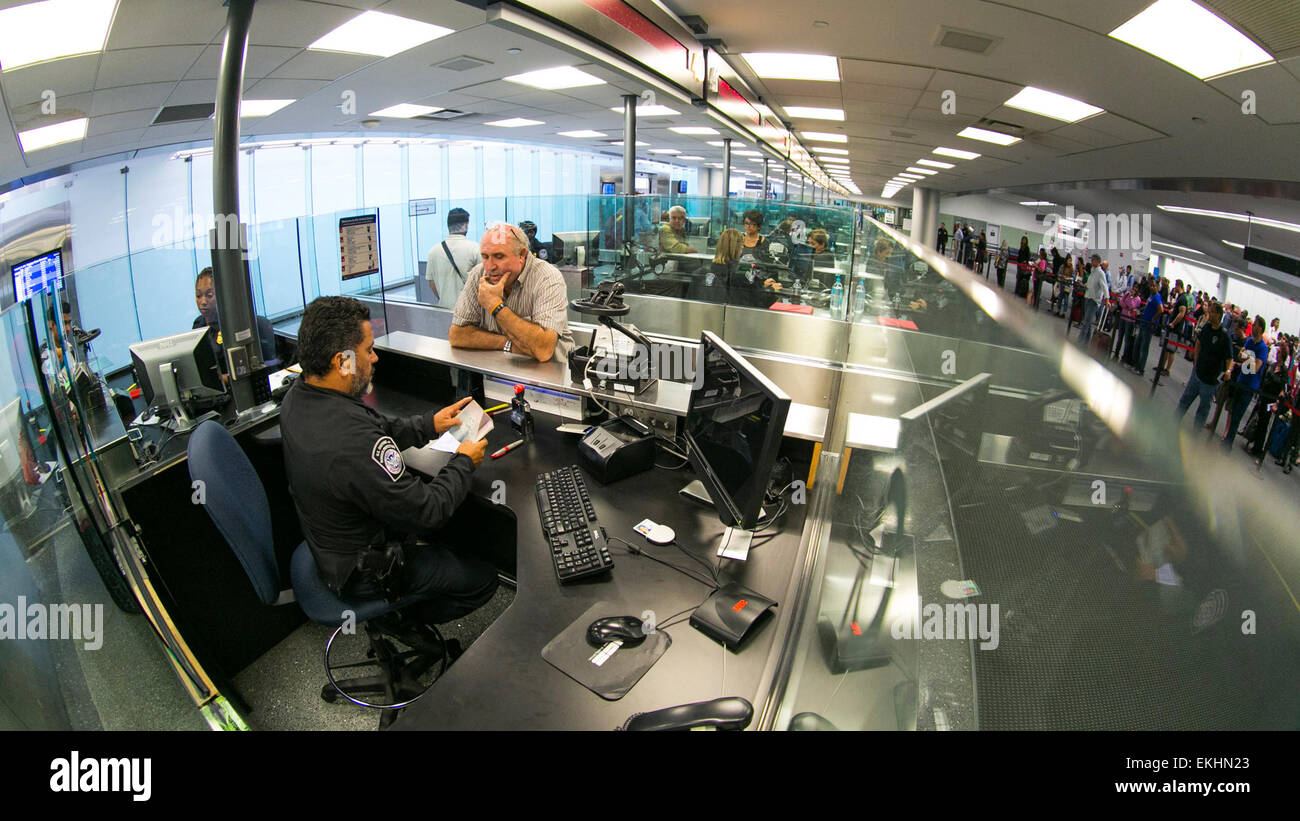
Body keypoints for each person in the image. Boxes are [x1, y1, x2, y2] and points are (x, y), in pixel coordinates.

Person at [279, 296, 496, 624]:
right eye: (368, 350)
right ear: (343, 362)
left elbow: (373, 428)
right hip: (366, 570)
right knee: (482, 580)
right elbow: (428, 511)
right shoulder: (350, 442)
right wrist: (464, 460)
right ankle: (400, 620)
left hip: (330, 544)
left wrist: (428, 425)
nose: (375, 357)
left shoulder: (301, 395)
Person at [448, 222, 573, 362]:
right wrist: (508, 344)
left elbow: (543, 350)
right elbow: (457, 335)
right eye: (485, 256)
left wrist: (495, 306)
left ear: (522, 254)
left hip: (548, 374)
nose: (490, 267)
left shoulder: (547, 278)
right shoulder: (478, 274)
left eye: (499, 256)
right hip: (497, 370)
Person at [192, 267, 277, 367]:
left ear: (224, 295)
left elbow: (264, 368)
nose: (203, 302)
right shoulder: (199, 325)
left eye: (209, 295)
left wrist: (223, 378)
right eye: (198, 296)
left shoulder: (252, 325)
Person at [1175, 301, 1232, 431]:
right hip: (1197, 374)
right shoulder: (1207, 328)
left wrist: (1228, 371)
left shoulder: (1224, 335)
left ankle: (1195, 433)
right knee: (1185, 400)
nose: (1209, 314)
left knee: (1203, 409)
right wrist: (1195, 361)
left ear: (1218, 315)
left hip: (1210, 380)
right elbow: (1198, 343)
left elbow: (1229, 357)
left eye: (1212, 312)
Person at [1223, 316, 1270, 450]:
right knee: (1232, 412)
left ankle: (1228, 443)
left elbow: (1256, 368)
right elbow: (1239, 356)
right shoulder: (1249, 341)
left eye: (1255, 325)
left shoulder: (1262, 348)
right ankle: (1227, 440)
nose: (1253, 327)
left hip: (1249, 387)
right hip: (1241, 381)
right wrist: (1251, 358)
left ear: (1260, 328)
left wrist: (1247, 357)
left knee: (1237, 416)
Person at [427, 207, 479, 307]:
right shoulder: (475, 249)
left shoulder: (433, 251)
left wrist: (444, 299)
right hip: (469, 310)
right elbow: (483, 280)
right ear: (465, 225)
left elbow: (431, 282)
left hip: (444, 309)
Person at [1133, 280, 1162, 375]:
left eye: (1154, 286)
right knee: (1138, 344)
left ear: (1157, 287)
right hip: (1143, 323)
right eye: (1151, 286)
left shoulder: (1157, 297)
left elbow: (1161, 310)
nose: (1152, 287)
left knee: (1144, 347)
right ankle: (1136, 365)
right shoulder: (1151, 296)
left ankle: (1141, 369)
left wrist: (1153, 320)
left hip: (1148, 325)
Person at [1079, 254, 1109, 346]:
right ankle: (1086, 343)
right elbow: (1090, 283)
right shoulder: (1093, 271)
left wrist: (1107, 300)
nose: (1091, 262)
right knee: (1088, 322)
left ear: (1097, 261)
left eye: (1093, 260)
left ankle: (1080, 342)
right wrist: (1084, 285)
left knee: (1086, 322)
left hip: (1094, 300)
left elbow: (1105, 287)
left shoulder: (1101, 273)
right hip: (1087, 297)